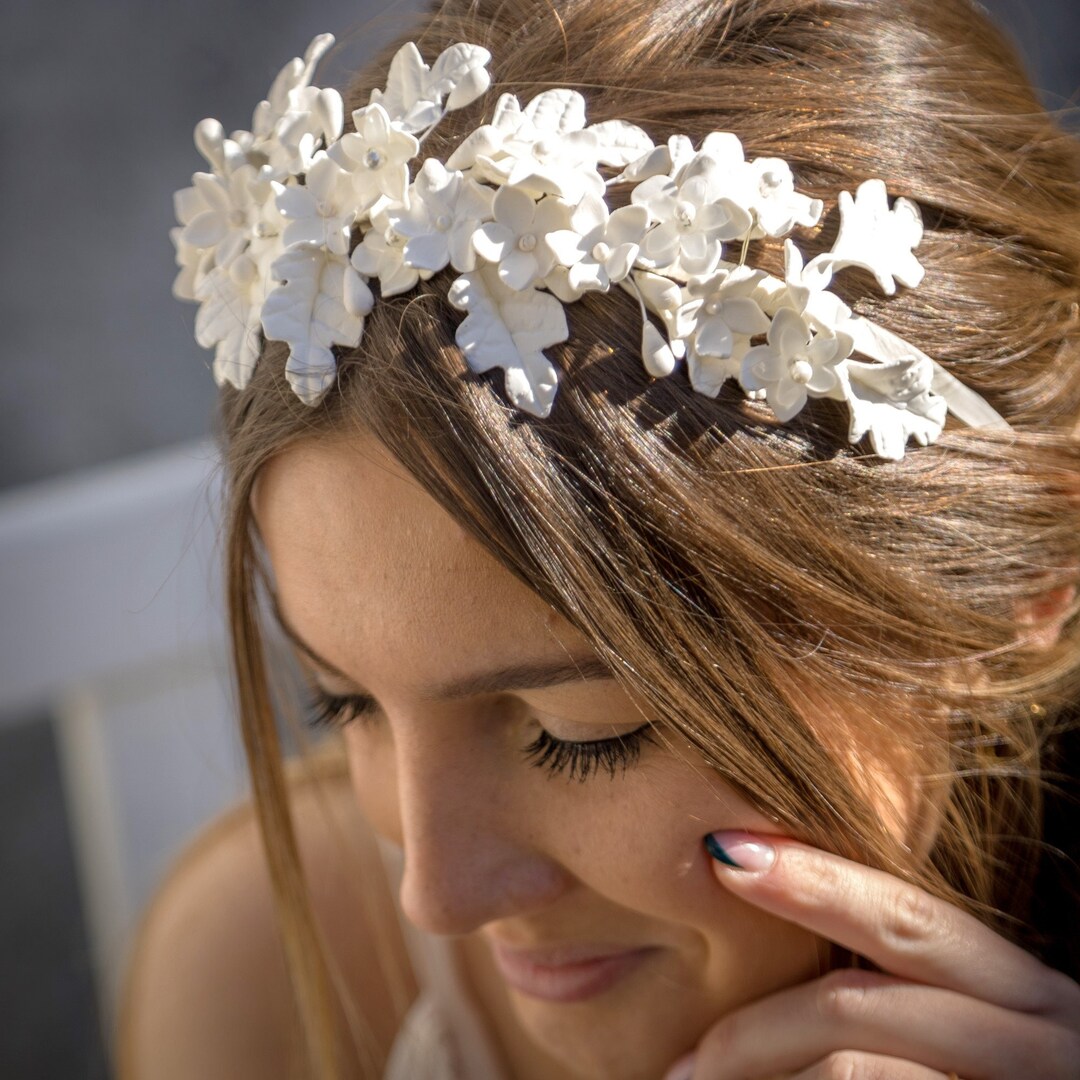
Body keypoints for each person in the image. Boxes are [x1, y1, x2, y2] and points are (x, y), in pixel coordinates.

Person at [120, 0, 1080, 1076]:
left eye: (583, 734)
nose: (434, 894)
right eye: (342, 703)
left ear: (1023, 588)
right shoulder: (265, 969)